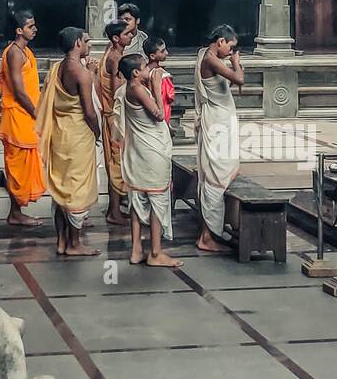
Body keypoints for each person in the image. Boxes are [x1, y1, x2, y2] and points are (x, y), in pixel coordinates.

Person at [36, 27, 101, 256]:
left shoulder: (59, 67)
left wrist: (91, 73)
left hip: (60, 134)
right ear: (76, 44)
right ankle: (74, 243)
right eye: (86, 41)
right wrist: (98, 132)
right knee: (76, 189)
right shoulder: (81, 73)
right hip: (78, 134)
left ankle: (61, 241)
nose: (89, 45)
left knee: (61, 189)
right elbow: (90, 112)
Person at [119, 53, 180, 268]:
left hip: (140, 151)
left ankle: (137, 249)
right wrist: (155, 86)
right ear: (136, 73)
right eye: (145, 67)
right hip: (151, 153)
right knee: (156, 199)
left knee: (138, 198)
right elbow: (158, 114)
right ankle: (155, 252)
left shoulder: (130, 87)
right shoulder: (137, 88)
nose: (149, 70)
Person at [194, 24, 244, 253]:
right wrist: (235, 64)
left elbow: (233, 81)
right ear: (220, 41)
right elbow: (239, 80)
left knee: (216, 175)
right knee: (216, 176)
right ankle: (207, 236)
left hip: (220, 121)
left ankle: (212, 230)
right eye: (230, 46)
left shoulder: (209, 56)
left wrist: (234, 67)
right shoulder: (211, 59)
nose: (231, 51)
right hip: (217, 124)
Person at [0, 9, 46, 227]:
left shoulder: (25, 51)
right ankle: (15, 213)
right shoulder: (15, 52)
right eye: (30, 26)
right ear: (19, 30)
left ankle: (16, 211)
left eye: (35, 25)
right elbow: (18, 91)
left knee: (23, 165)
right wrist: (37, 113)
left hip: (26, 116)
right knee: (16, 167)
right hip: (18, 115)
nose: (35, 29)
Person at [95, 19, 131, 226]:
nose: (130, 37)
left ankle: (114, 208)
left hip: (110, 115)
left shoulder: (111, 52)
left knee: (115, 161)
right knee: (117, 162)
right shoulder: (115, 57)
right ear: (116, 38)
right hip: (114, 117)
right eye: (127, 34)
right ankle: (114, 211)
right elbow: (119, 91)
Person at [143, 35, 174, 128]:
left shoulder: (144, 71)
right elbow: (169, 96)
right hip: (160, 110)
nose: (167, 53)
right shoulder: (161, 74)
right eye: (162, 51)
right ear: (152, 56)